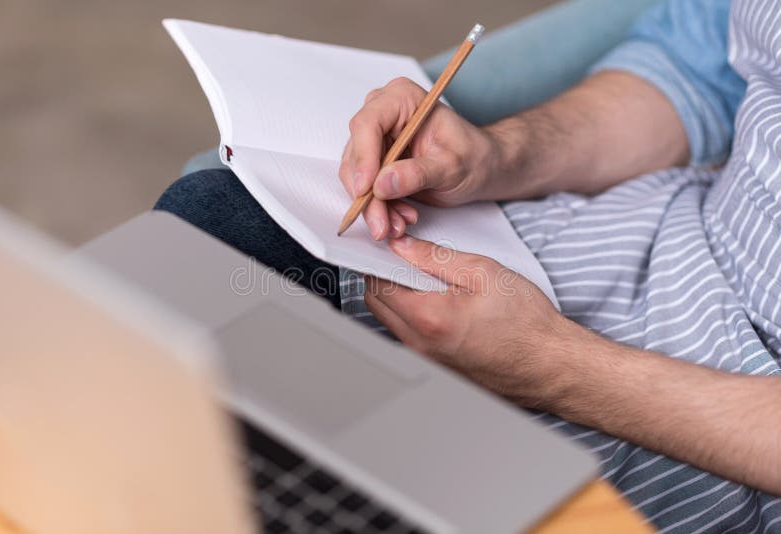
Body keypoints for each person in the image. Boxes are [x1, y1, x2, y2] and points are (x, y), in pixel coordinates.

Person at [156, 0, 781, 530]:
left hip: (717, 436)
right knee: (207, 237)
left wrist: (554, 368)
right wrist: (500, 154)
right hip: (651, 234)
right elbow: (697, 71)